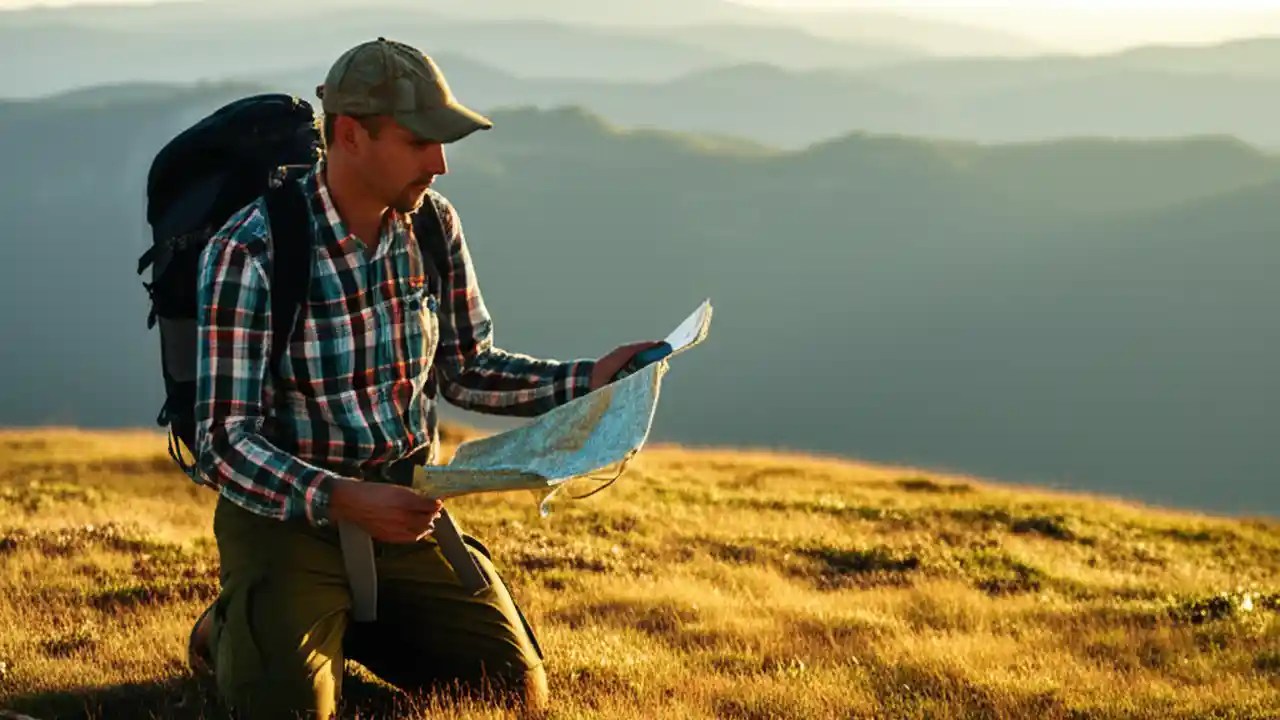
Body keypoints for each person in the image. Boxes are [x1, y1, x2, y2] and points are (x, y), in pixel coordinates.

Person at [186, 37, 658, 719]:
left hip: (408, 512)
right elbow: (223, 441)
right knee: (286, 709)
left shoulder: (432, 226)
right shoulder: (250, 251)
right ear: (350, 135)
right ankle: (229, 627)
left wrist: (590, 379)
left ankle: (340, 624)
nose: (440, 165)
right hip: (290, 520)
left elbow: (466, 367)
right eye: (419, 143)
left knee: (512, 692)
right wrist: (342, 498)